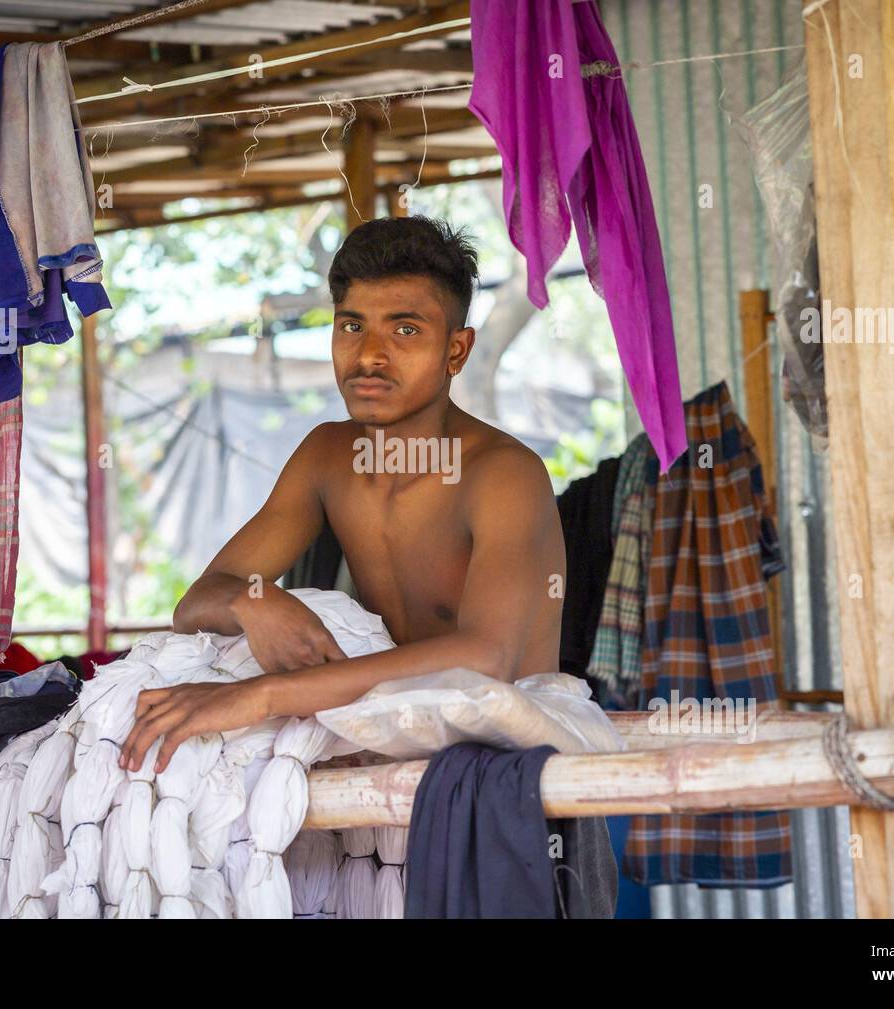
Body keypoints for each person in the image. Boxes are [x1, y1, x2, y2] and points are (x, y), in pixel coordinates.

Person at [121, 217, 566, 772]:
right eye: (352, 327)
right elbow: (196, 603)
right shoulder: (327, 455)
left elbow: (486, 656)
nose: (370, 356)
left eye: (405, 331)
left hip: (505, 758)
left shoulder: (504, 474)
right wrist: (253, 600)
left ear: (456, 351)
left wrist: (262, 696)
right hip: (389, 746)